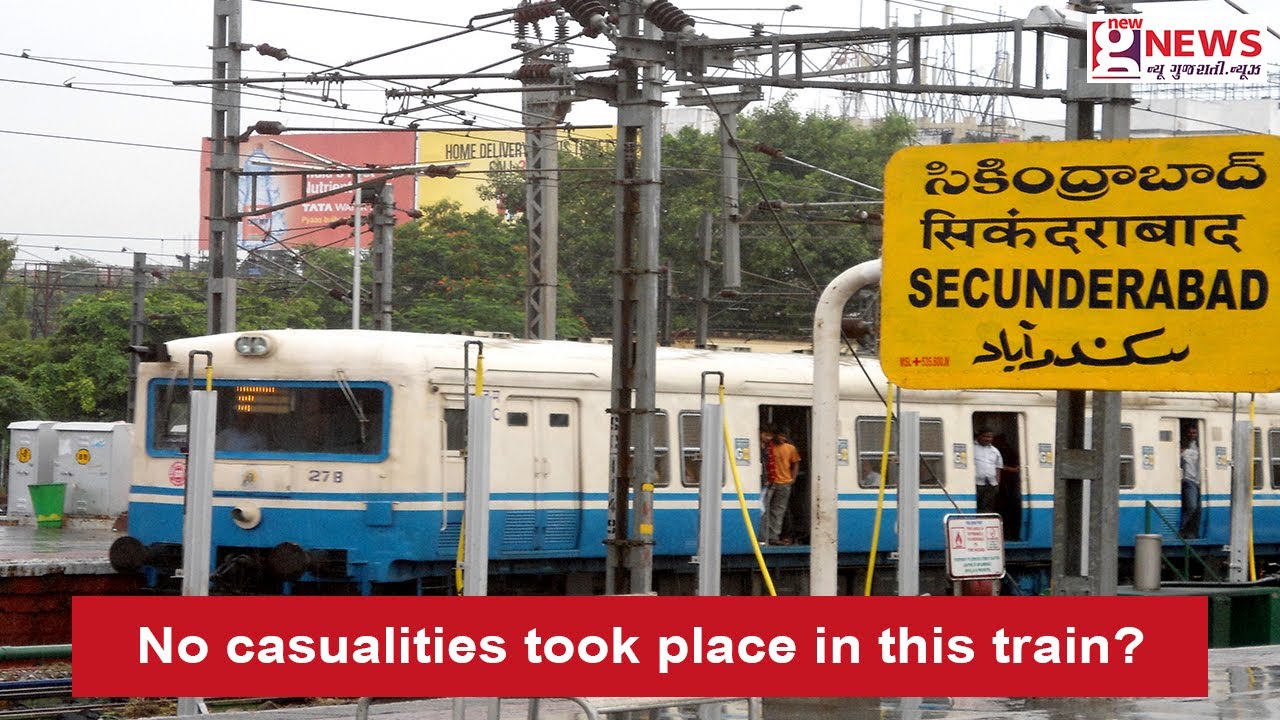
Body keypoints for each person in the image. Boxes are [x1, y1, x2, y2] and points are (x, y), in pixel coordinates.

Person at [761, 427, 801, 545]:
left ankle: (773, 536)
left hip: (784, 483)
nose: (783, 438)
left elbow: (795, 463)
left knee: (778, 511)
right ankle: (763, 536)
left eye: (784, 436)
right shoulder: (769, 447)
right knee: (764, 510)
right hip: (770, 482)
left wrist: (793, 478)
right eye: (781, 435)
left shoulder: (790, 448)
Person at [973, 429, 1012, 515]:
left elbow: (998, 467)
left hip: (991, 484)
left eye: (990, 437)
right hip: (976, 484)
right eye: (985, 436)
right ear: (979, 436)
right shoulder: (971, 448)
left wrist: (997, 483)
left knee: (988, 508)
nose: (988, 439)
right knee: (975, 507)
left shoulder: (995, 451)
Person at [1179, 425, 1201, 539]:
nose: (1192, 435)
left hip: (1199, 481)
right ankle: (1181, 528)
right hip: (1188, 479)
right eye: (1190, 432)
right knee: (1191, 506)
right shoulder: (1182, 446)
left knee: (1197, 509)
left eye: (1194, 433)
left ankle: (1192, 532)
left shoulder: (1199, 446)